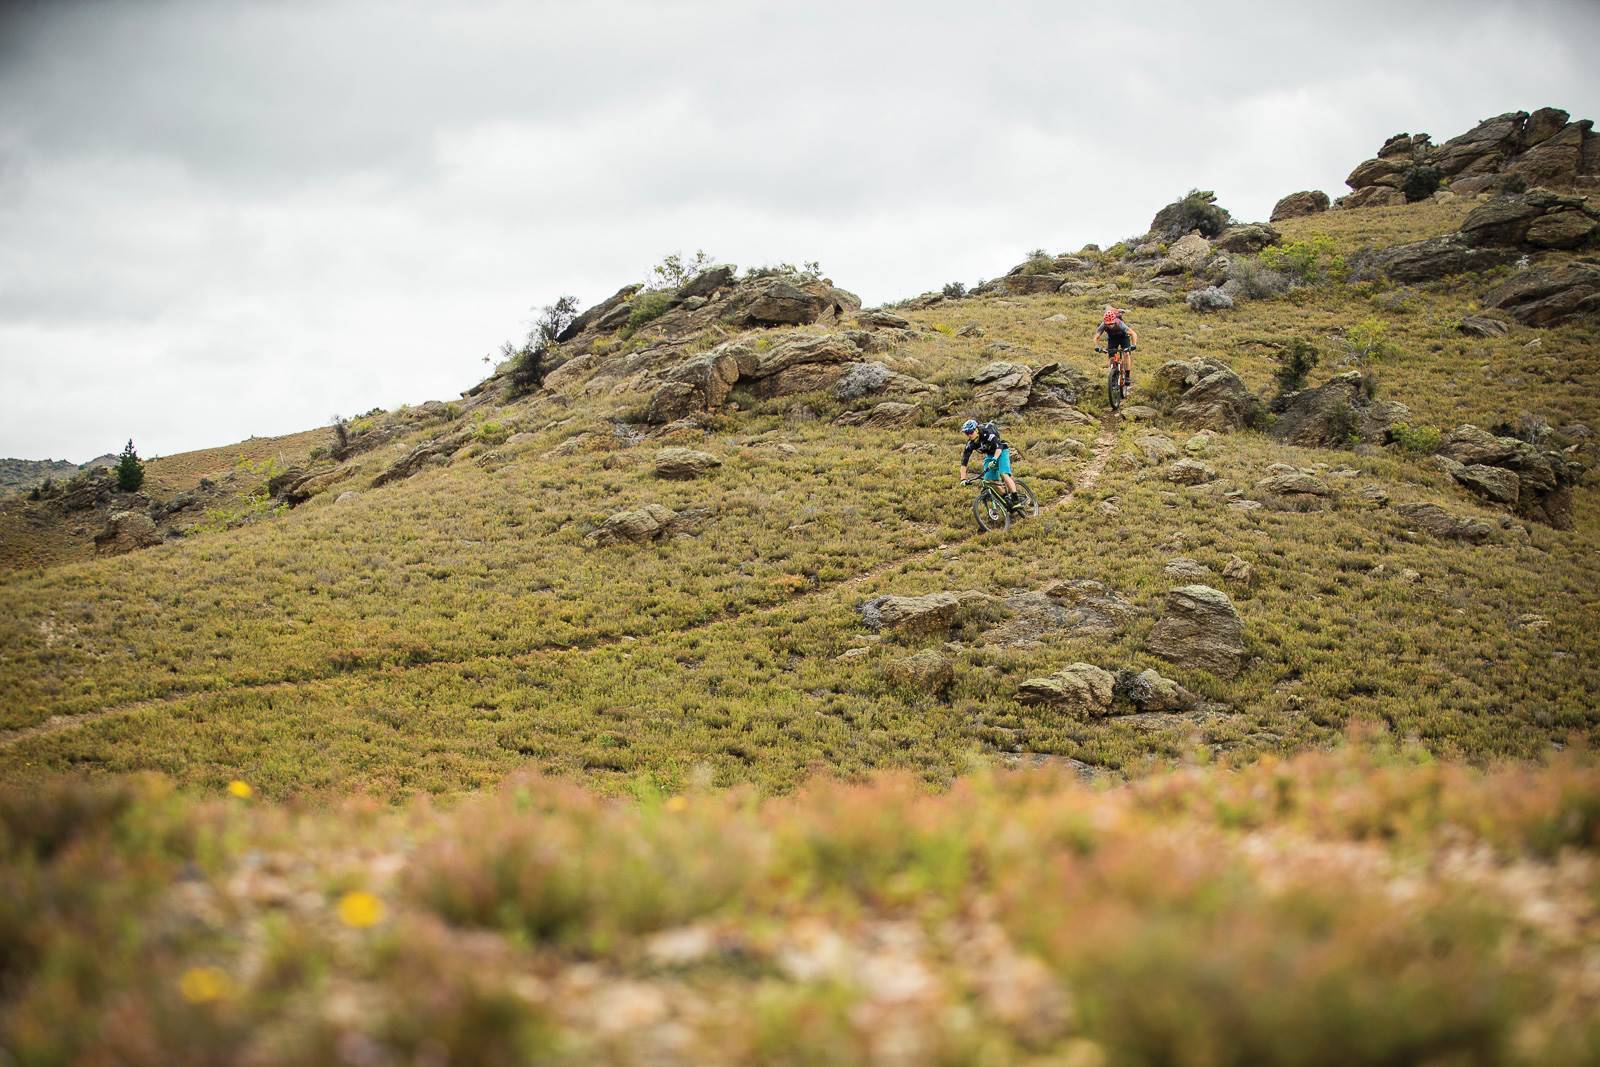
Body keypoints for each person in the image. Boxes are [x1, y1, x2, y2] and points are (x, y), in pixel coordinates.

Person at [958, 418, 1021, 507]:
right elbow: (964, 462)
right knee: (989, 481)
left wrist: (995, 459)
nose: (969, 435)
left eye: (971, 432)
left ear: (976, 429)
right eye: (966, 433)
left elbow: (998, 446)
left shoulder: (986, 433)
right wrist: (963, 479)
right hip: (990, 455)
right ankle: (1006, 499)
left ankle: (1016, 499)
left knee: (1003, 474)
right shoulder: (970, 444)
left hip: (1001, 450)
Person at [1093, 306, 1138, 389]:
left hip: (1123, 337)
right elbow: (1096, 337)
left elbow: (1133, 334)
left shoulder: (1119, 323)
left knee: (1126, 354)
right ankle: (1113, 375)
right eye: (1108, 324)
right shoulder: (1103, 325)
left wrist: (1133, 345)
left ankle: (1127, 376)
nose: (1110, 325)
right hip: (1112, 338)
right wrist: (1097, 346)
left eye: (1111, 324)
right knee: (1111, 358)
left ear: (1114, 321)